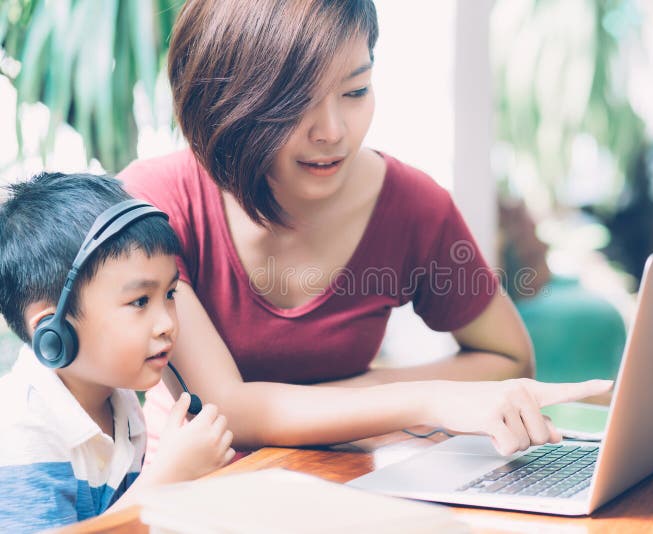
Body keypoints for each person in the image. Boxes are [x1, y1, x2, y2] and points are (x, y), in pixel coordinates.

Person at [121, 0, 612, 459]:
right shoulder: (155, 205)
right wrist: (425, 399)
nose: (333, 131)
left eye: (355, 91)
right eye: (297, 101)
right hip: (199, 491)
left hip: (345, 483)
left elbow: (508, 359)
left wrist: (352, 399)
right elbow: (224, 411)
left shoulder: (412, 205)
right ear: (226, 99)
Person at [0, 173, 235, 532]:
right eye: (140, 301)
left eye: (169, 294)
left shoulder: (120, 404)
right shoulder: (24, 432)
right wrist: (169, 475)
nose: (167, 324)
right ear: (53, 333)